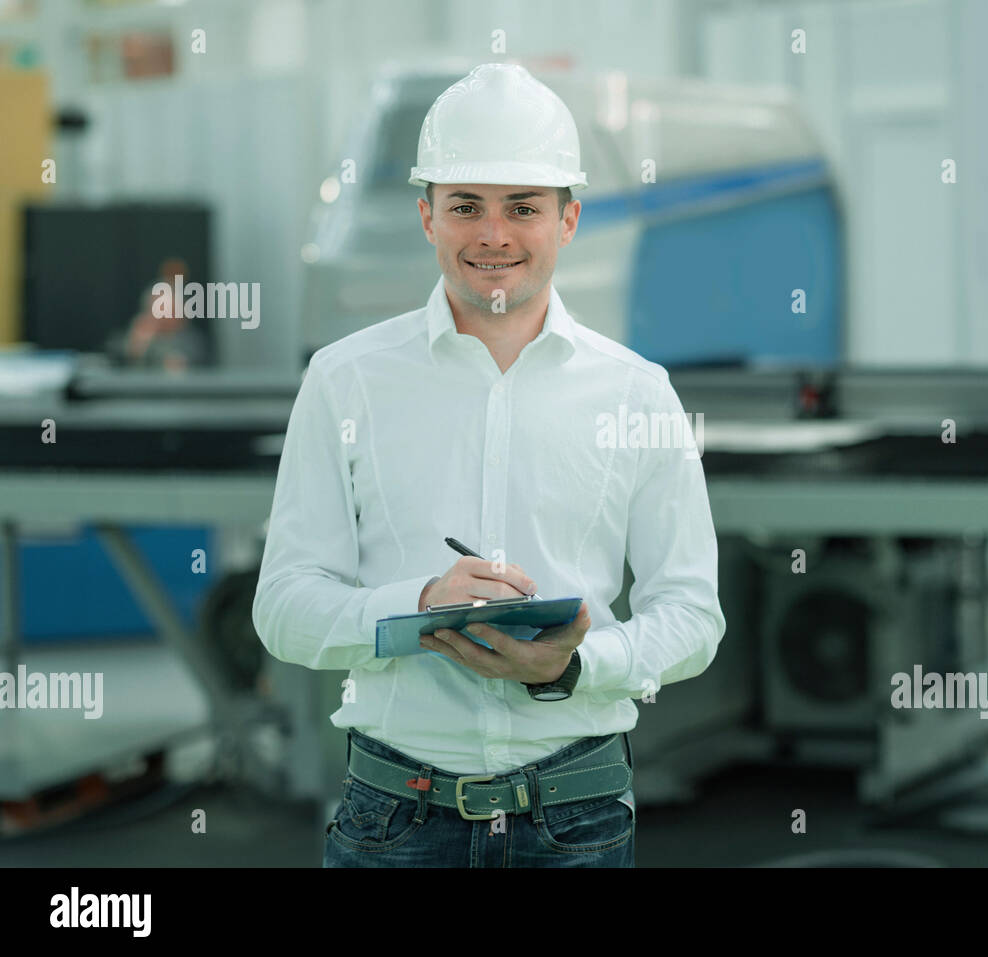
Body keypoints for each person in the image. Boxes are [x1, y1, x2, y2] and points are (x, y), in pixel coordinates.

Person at [252, 62, 726, 867]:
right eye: (466, 205)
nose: (494, 235)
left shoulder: (639, 394)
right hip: (395, 820)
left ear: (568, 220)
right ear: (427, 216)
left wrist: (573, 666)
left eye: (523, 208)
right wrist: (421, 604)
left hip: (575, 818)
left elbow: (692, 615)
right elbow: (284, 609)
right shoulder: (346, 380)